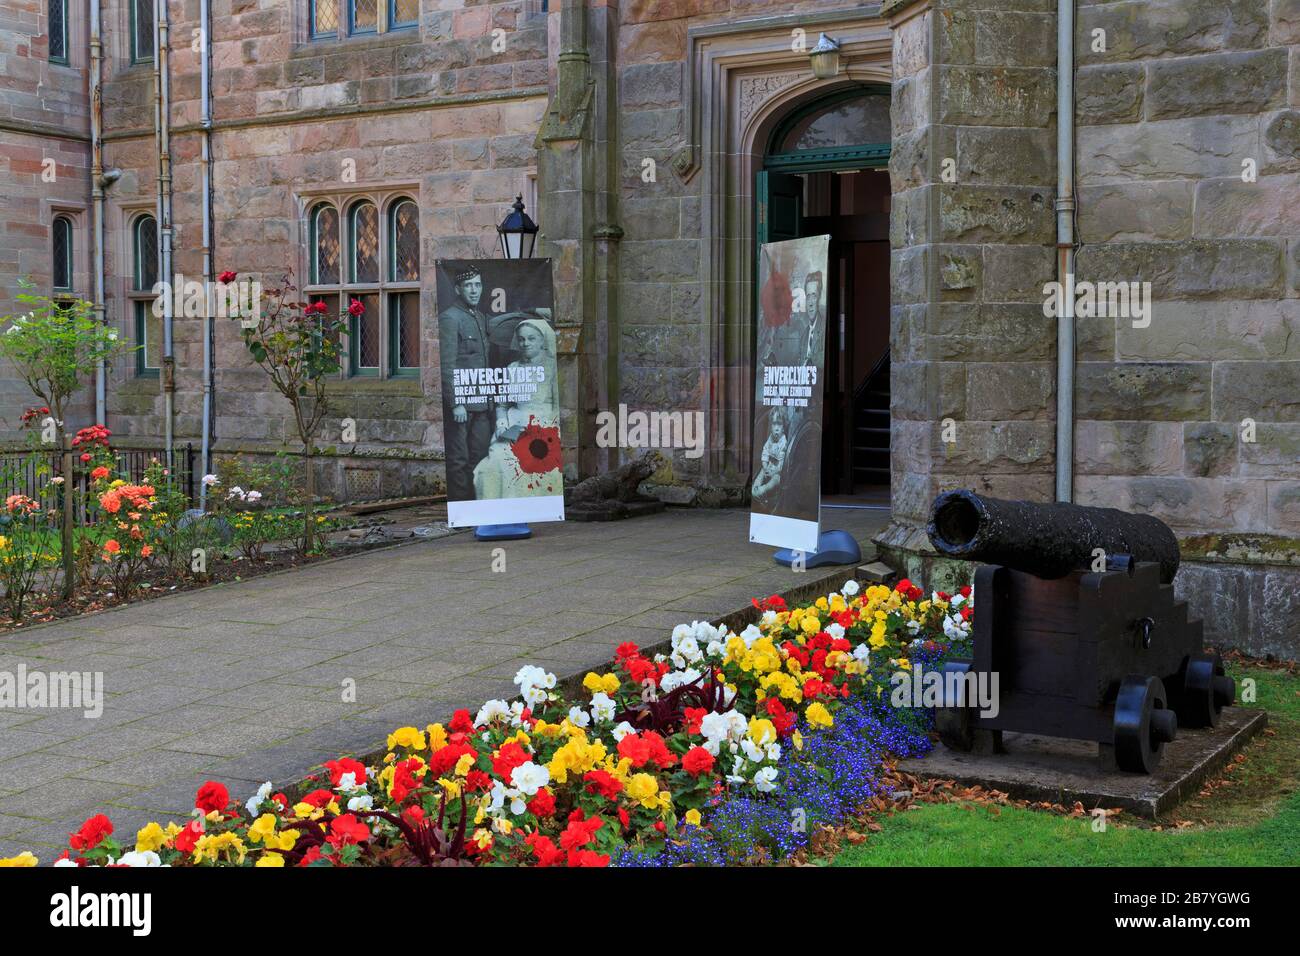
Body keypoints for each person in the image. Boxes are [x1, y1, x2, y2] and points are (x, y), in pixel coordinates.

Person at [473, 317, 560, 500]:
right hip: (515, 425)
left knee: (522, 464)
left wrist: (542, 430)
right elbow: (503, 404)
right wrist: (503, 425)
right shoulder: (512, 368)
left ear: (543, 341)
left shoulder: (552, 368)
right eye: (521, 339)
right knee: (493, 463)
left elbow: (557, 407)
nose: (525, 343)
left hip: (545, 427)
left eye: (531, 338)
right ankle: (494, 512)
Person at [438, 266, 493, 501]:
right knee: (459, 459)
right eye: (469, 285)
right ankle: (462, 510)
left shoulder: (479, 318)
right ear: (458, 289)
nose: (474, 290)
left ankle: (477, 505)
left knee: (480, 456)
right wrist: (455, 403)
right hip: (462, 406)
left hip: (481, 404)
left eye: (477, 285)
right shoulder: (450, 318)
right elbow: (447, 365)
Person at [751, 405, 788, 505]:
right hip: (770, 466)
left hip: (778, 471)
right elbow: (765, 451)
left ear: (784, 427)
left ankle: (764, 490)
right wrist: (765, 466)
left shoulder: (783, 442)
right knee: (762, 472)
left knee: (776, 480)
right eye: (774, 424)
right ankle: (756, 487)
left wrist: (773, 472)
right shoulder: (770, 439)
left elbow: (782, 463)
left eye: (779, 424)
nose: (776, 428)